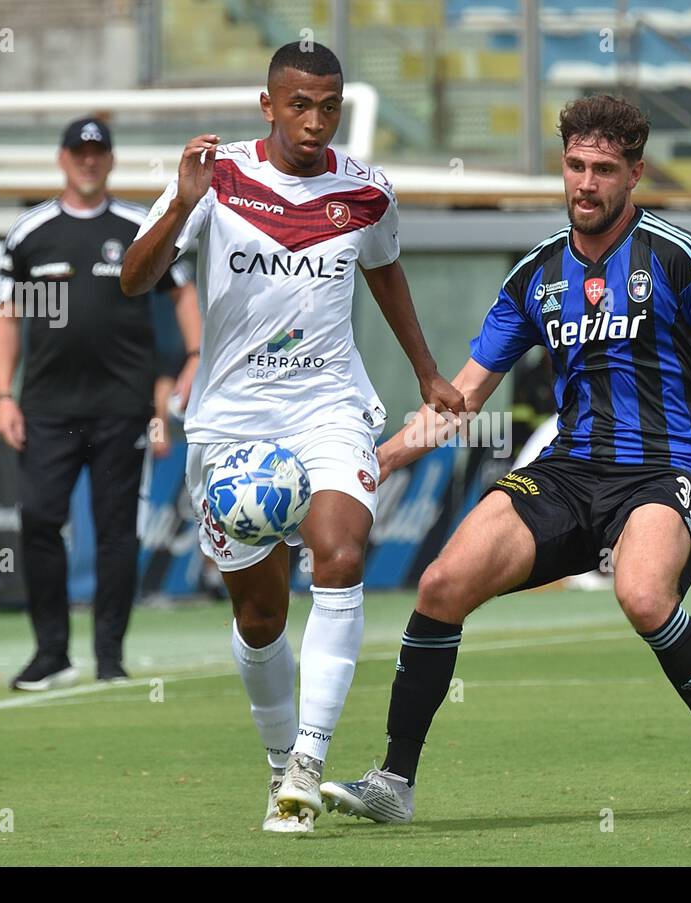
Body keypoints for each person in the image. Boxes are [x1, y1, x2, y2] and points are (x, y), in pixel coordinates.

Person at [321, 94, 691, 825]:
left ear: (634, 175)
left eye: (603, 169)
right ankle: (394, 783)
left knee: (643, 595)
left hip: (663, 473)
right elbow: (461, 397)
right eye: (574, 165)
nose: (585, 183)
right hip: (568, 472)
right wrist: (373, 462)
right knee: (441, 582)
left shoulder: (679, 258)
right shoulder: (535, 274)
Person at [120, 42, 464, 834]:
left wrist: (425, 370)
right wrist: (179, 203)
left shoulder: (368, 191)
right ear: (268, 105)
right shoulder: (218, 177)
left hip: (328, 407)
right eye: (299, 105)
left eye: (329, 105)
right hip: (232, 424)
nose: (314, 122)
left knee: (342, 553)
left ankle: (310, 757)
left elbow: (385, 270)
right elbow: (134, 279)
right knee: (261, 618)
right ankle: (279, 763)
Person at [0, 115, 203, 692]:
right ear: (62, 158)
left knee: (115, 531)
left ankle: (110, 656)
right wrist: (3, 396)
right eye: (78, 152)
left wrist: (194, 356)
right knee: (38, 520)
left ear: (110, 160)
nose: (88, 161)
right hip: (47, 408)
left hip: (122, 407)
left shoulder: (138, 224)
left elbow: (181, 290)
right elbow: (6, 317)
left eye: (98, 152)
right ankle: (50, 654)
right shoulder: (30, 233)